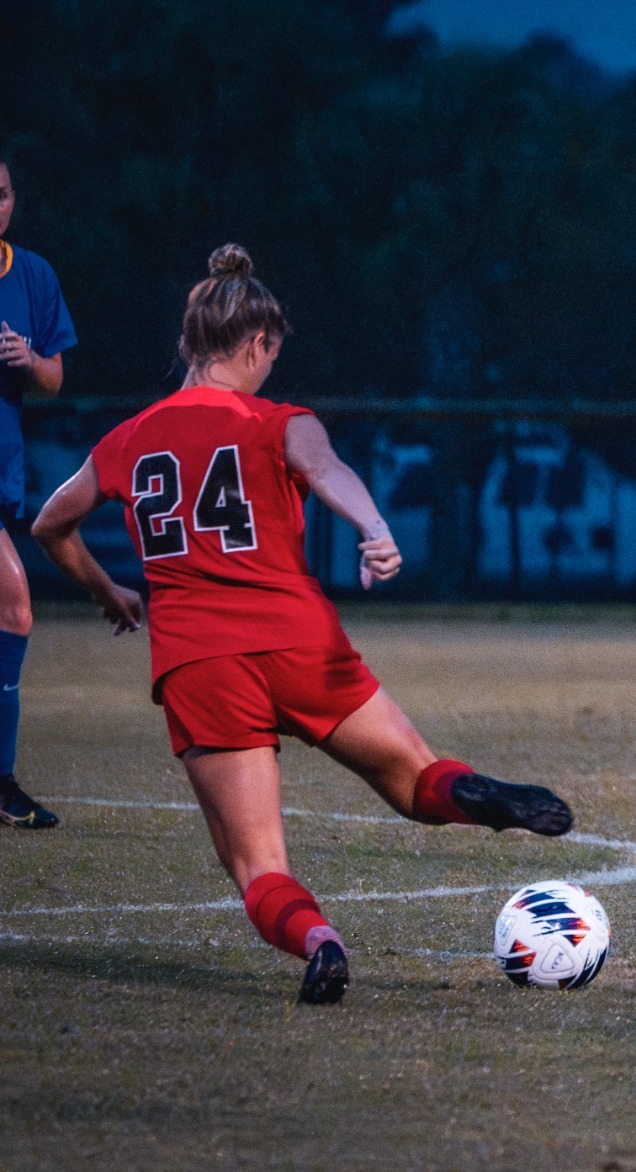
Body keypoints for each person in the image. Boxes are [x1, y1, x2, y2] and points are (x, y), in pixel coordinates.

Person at [32, 245, 574, 1005]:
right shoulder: (278, 421)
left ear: (189, 342)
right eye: (270, 356)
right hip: (299, 638)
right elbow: (326, 470)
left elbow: (52, 524)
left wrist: (107, 589)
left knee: (259, 865)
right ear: (257, 344)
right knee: (415, 776)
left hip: (200, 663)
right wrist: (375, 528)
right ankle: (479, 793)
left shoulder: (128, 439)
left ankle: (321, 942)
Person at [0, 157, 77, 828]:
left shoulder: (31, 275)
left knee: (12, 610)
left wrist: (29, 361)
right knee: (15, 605)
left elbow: (54, 376)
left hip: (4, 474)